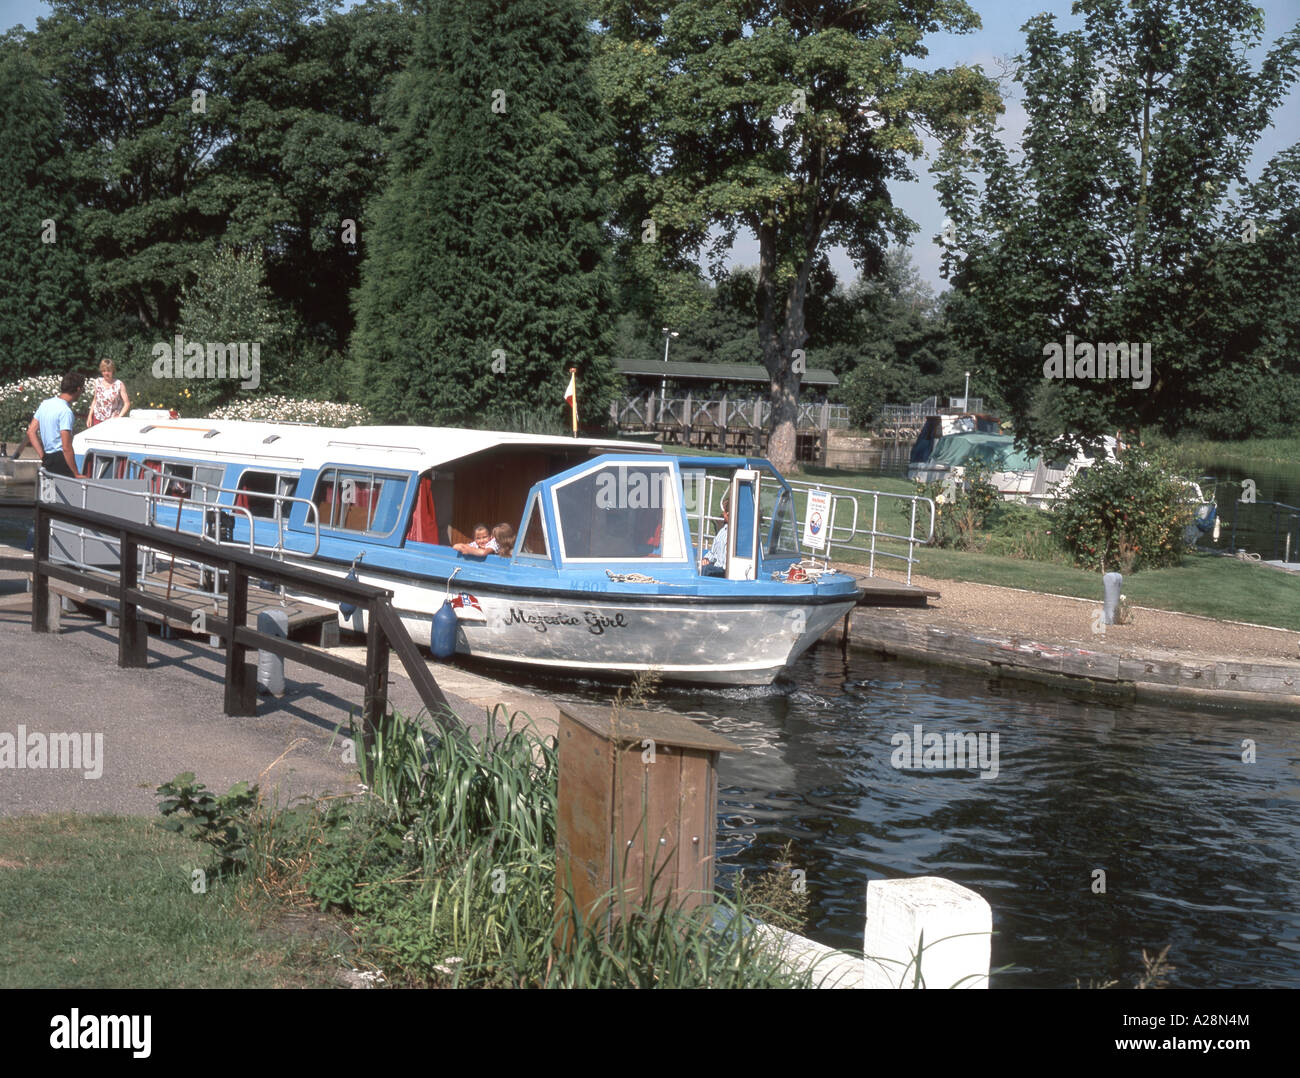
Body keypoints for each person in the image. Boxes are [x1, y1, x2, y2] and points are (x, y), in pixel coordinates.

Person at [27, 372, 86, 478]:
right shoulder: (65, 412)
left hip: (48, 458)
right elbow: (66, 447)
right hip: (61, 460)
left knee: (49, 493)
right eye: (83, 390)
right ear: (78, 389)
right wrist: (76, 473)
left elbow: (31, 431)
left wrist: (43, 456)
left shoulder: (46, 404)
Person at [88, 357, 130, 426]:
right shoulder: (97, 382)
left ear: (112, 371)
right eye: (104, 371)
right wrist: (90, 416)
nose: (106, 373)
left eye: (108, 370)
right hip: (98, 418)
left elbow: (127, 403)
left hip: (112, 421)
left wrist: (120, 416)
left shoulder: (119, 384)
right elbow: (95, 400)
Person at [701, 501, 729, 576]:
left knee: (706, 570)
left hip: (724, 571)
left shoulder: (736, 534)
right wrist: (706, 559)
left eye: (725, 512)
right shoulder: (723, 531)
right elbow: (713, 553)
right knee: (699, 566)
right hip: (717, 568)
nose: (723, 514)